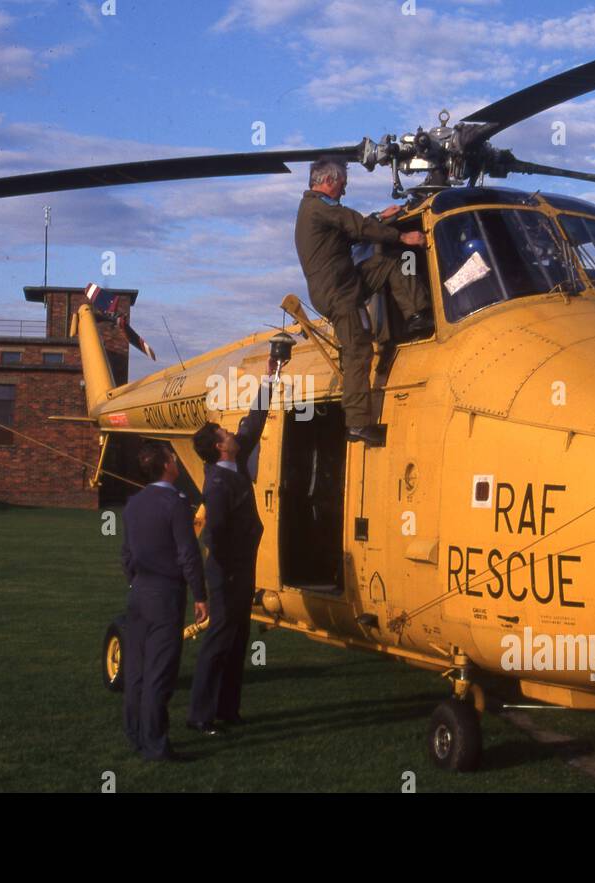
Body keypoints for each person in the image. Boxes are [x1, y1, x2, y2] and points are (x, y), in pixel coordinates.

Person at [294, 157, 433, 446]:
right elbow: (354, 226)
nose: (343, 191)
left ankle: (417, 314)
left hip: (346, 282)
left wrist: (380, 219)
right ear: (328, 182)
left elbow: (349, 230)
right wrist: (402, 235)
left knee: (390, 263)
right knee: (358, 350)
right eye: (342, 185)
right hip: (339, 292)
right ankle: (358, 425)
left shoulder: (314, 210)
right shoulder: (318, 208)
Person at [186, 365, 273, 734]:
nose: (232, 432)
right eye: (225, 432)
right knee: (219, 642)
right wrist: (228, 571)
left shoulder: (234, 462)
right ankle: (199, 715)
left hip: (239, 572)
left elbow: (253, 423)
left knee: (238, 640)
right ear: (220, 446)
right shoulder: (218, 483)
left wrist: (272, 376)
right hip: (228, 575)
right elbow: (212, 535)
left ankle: (227, 709)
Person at [120, 441, 208, 761]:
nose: (176, 461)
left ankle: (135, 734)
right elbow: (188, 554)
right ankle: (155, 744)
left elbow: (127, 555)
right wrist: (200, 595)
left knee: (137, 672)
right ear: (165, 467)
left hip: (139, 593)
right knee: (159, 672)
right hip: (165, 596)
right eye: (172, 458)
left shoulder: (133, 505)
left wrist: (137, 581)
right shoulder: (175, 503)